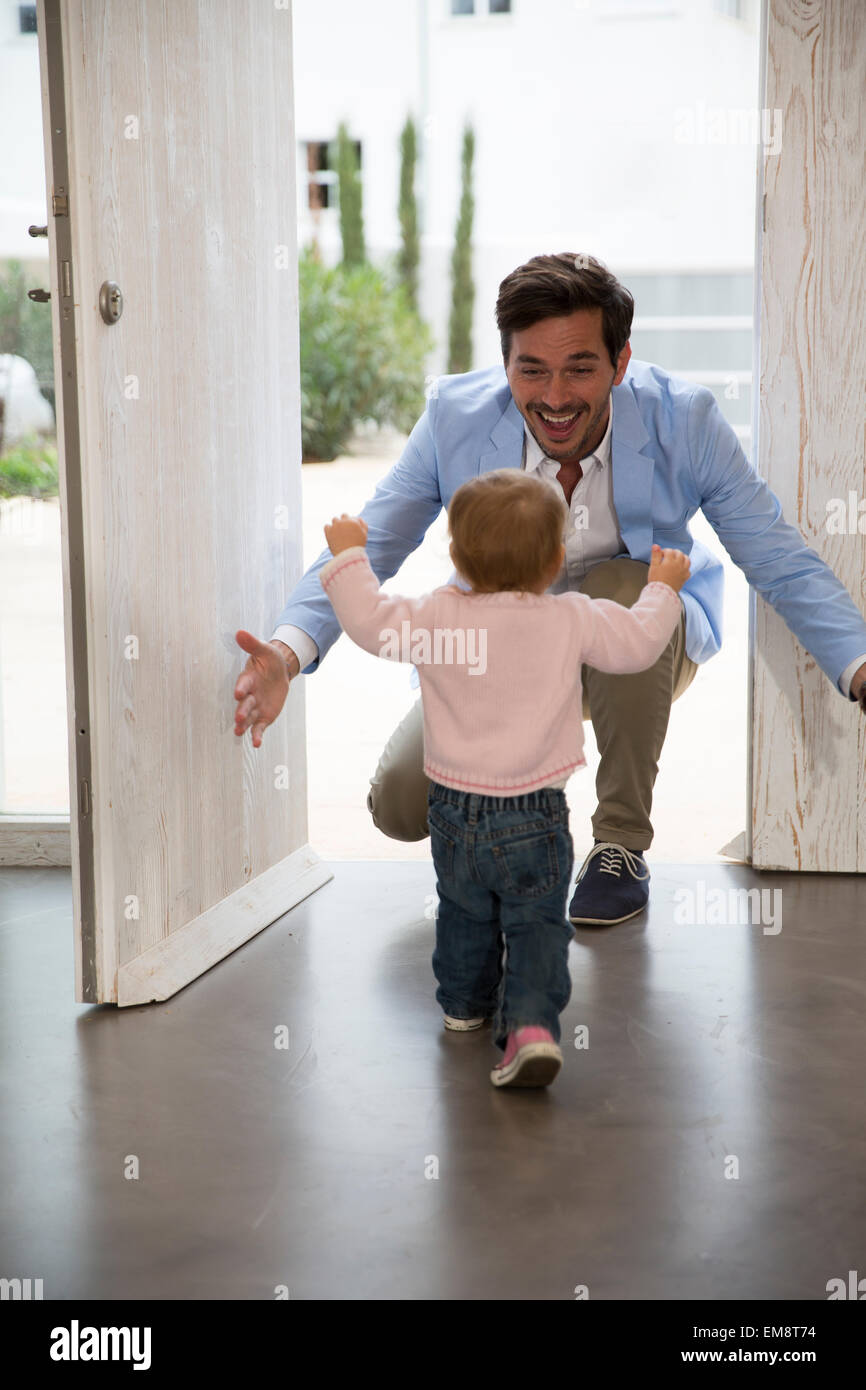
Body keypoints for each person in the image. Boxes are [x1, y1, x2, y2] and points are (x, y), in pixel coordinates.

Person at [234, 252, 866, 926]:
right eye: (531, 369)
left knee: (627, 580)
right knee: (400, 805)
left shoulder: (684, 418)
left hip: (633, 632)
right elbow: (372, 541)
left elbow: (777, 556)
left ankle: (620, 845)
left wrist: (859, 668)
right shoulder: (455, 417)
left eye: (580, 369)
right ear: (505, 364)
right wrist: (285, 651)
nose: (555, 398)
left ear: (620, 364)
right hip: (502, 640)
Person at [315, 473, 690, 1087]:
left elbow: (370, 622)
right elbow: (639, 647)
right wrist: (661, 589)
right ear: (555, 559)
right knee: (535, 923)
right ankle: (531, 1029)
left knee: (463, 914)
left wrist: (351, 555)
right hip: (533, 814)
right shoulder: (571, 617)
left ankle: (463, 1008)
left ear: (458, 556)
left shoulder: (436, 614)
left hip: (453, 810)